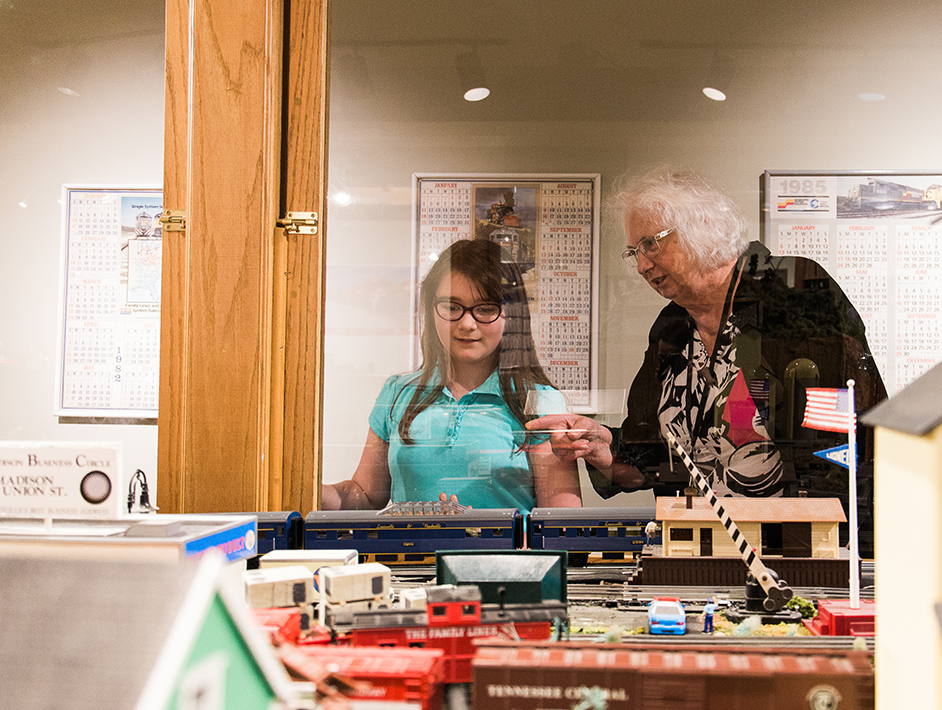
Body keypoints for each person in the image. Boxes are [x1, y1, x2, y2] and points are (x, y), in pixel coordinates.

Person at [528, 170, 886, 532]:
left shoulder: (793, 294)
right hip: (696, 545)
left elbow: (848, 441)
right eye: (634, 252)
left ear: (704, 226)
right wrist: (604, 449)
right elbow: (653, 457)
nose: (641, 266)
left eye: (651, 244)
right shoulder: (671, 328)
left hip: (796, 546)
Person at [323, 238, 581, 512]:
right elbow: (363, 496)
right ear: (432, 309)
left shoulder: (539, 401)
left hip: (504, 543)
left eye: (485, 309)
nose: (467, 324)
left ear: (512, 315)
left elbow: (559, 522)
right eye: (451, 307)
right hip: (410, 543)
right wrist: (307, 484)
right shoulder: (398, 391)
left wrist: (473, 528)